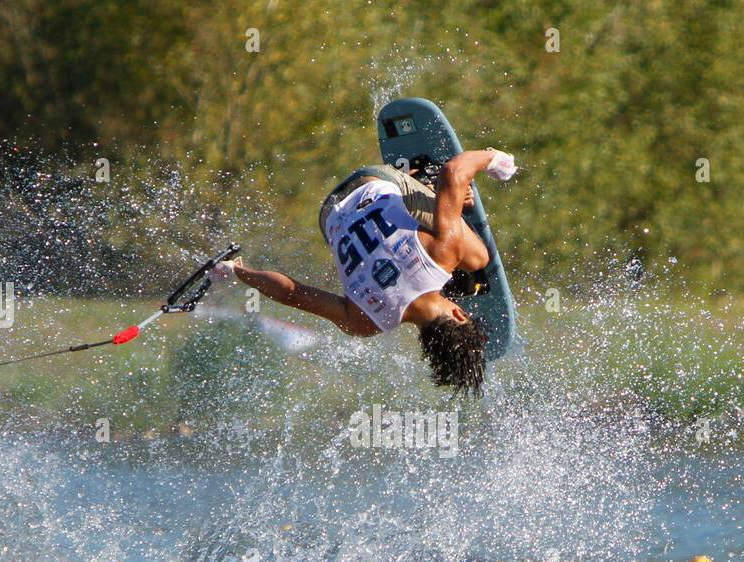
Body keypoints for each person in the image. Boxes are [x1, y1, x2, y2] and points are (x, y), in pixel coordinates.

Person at [211, 148, 517, 396]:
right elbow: (291, 293)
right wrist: (238, 270)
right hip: (329, 213)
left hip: (372, 180)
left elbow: (454, 170)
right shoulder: (365, 323)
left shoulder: (442, 254)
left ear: (460, 314)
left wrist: (494, 160)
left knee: (476, 258)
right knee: (446, 245)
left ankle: (426, 181)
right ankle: (444, 204)